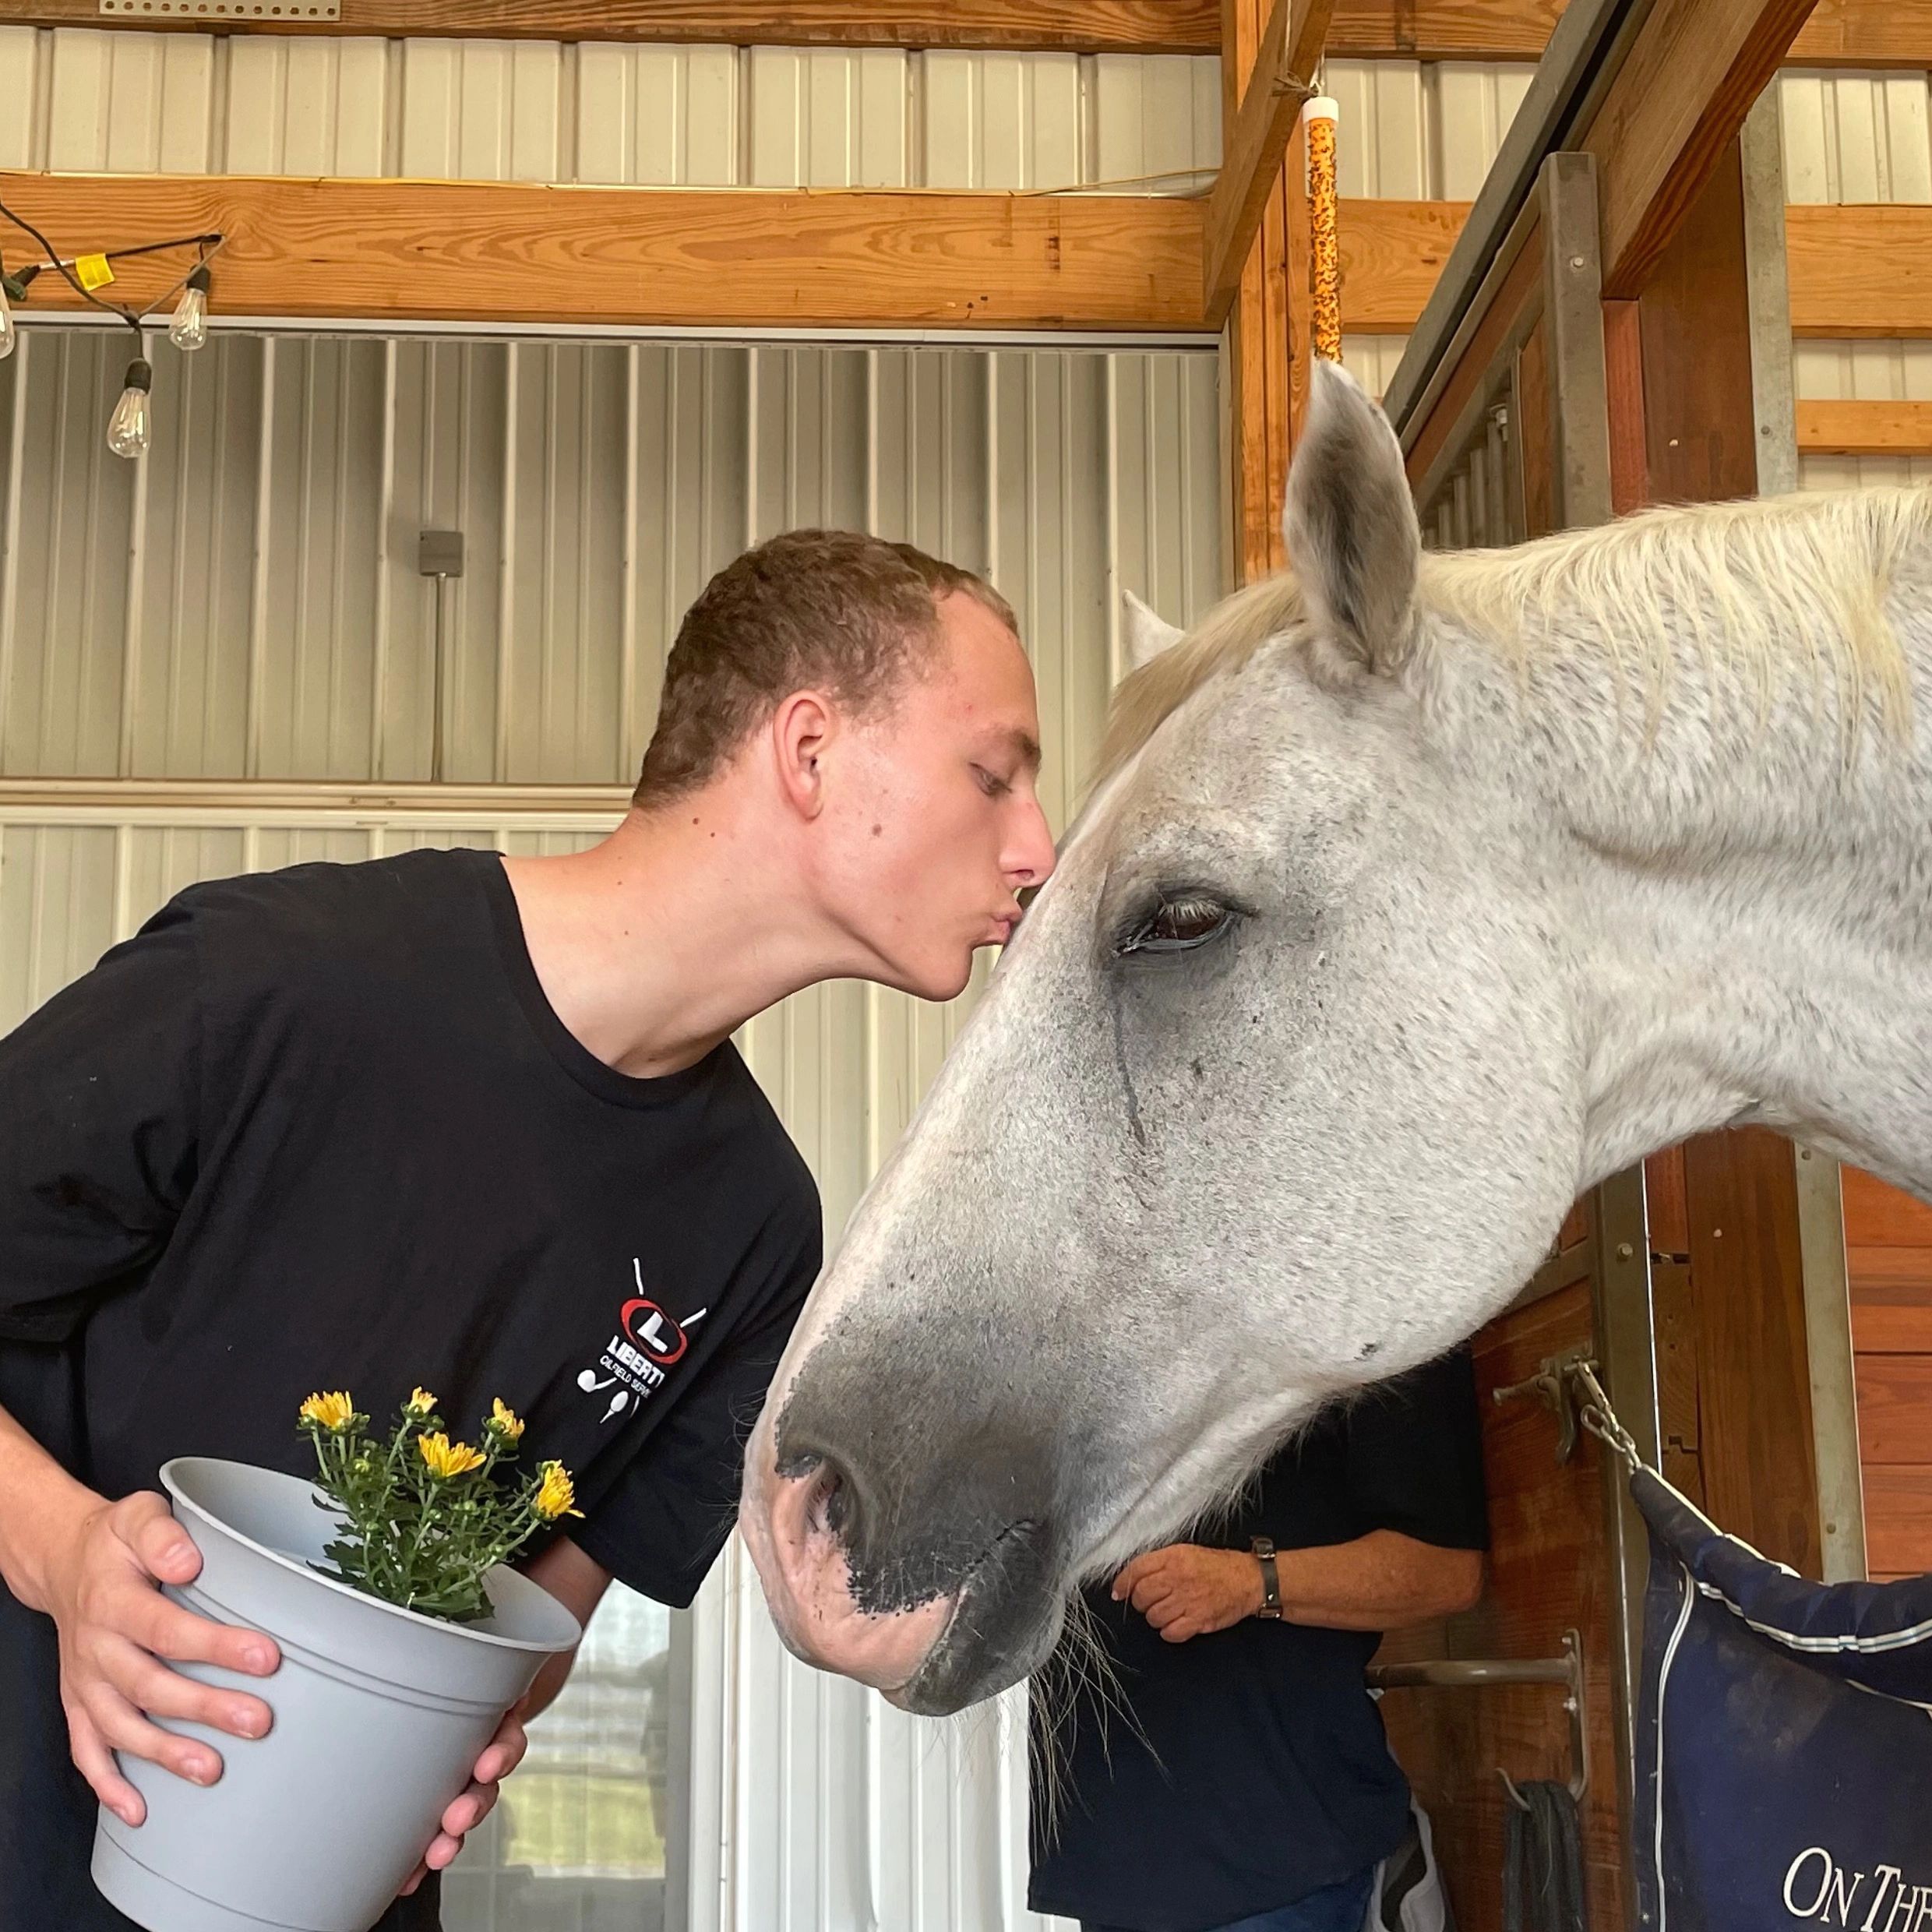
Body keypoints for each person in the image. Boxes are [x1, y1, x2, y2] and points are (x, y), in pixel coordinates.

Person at [0, 529, 1056, 1932]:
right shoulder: (274, 986)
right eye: (995, 774)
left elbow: (549, 1608)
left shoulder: (756, 1230)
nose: (1038, 848)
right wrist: (70, 1555)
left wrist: (458, 1715)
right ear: (808, 751)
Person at [1028, 1351, 1489, 1932]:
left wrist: (1251, 1582)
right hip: (1108, 1856)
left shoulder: (1374, 1315)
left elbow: (1445, 1570)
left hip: (1272, 1863)